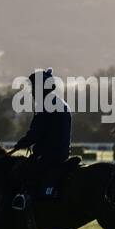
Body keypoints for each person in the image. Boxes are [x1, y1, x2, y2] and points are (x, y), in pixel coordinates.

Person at [10, 68, 72, 210]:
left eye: (34, 88)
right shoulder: (61, 103)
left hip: (48, 154)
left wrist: (20, 144)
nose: (32, 92)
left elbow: (35, 133)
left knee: (24, 171)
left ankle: (23, 198)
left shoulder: (46, 106)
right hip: (62, 153)